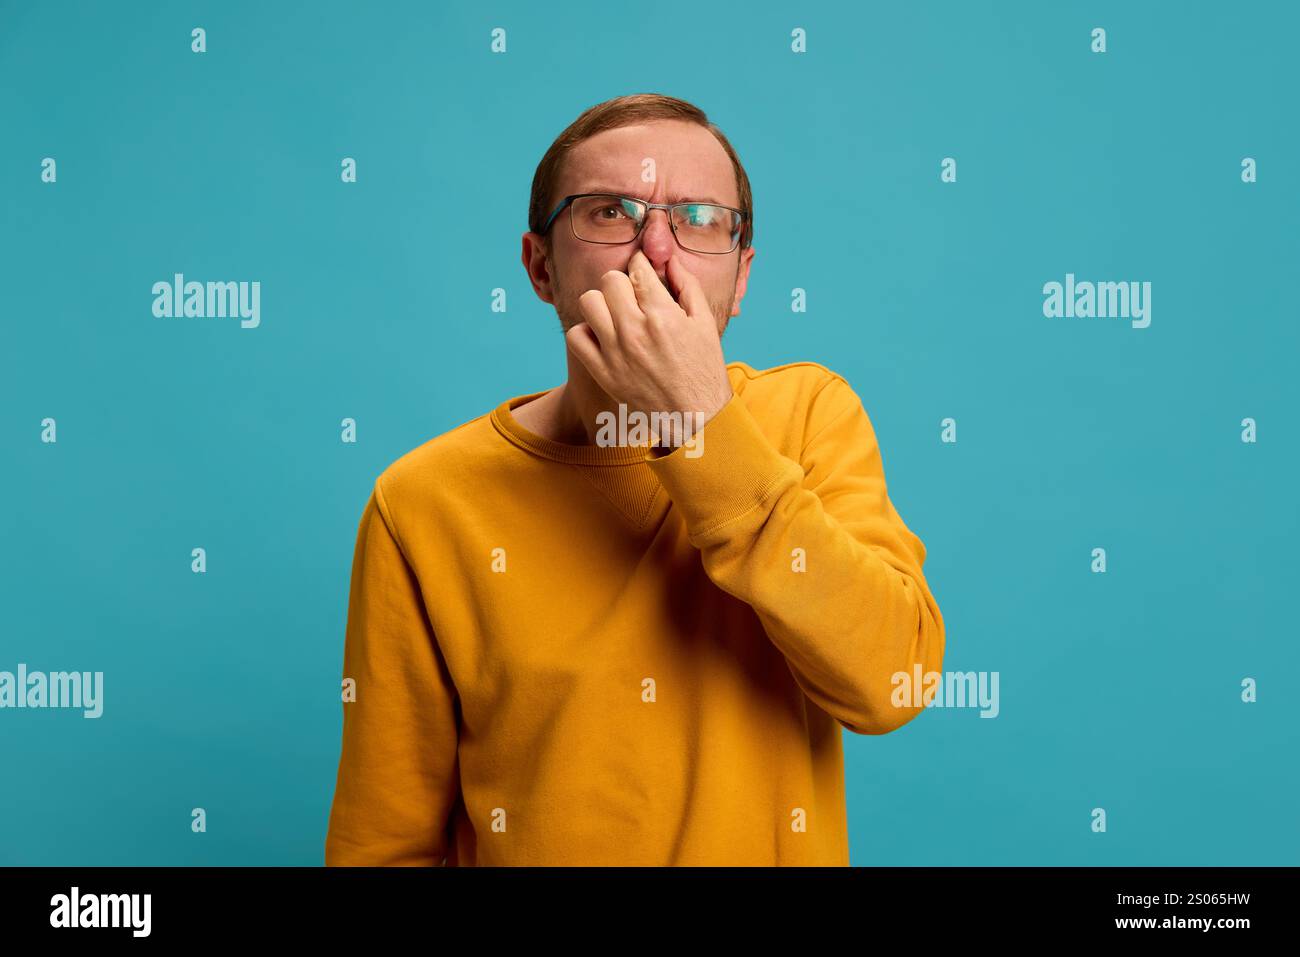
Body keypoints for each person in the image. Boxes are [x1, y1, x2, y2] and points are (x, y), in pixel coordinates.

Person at [324, 93, 945, 866]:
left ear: (741, 276)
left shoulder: (810, 416)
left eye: (698, 217)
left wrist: (699, 428)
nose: (657, 249)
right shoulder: (419, 502)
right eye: (610, 212)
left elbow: (894, 679)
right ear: (541, 267)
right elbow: (385, 843)